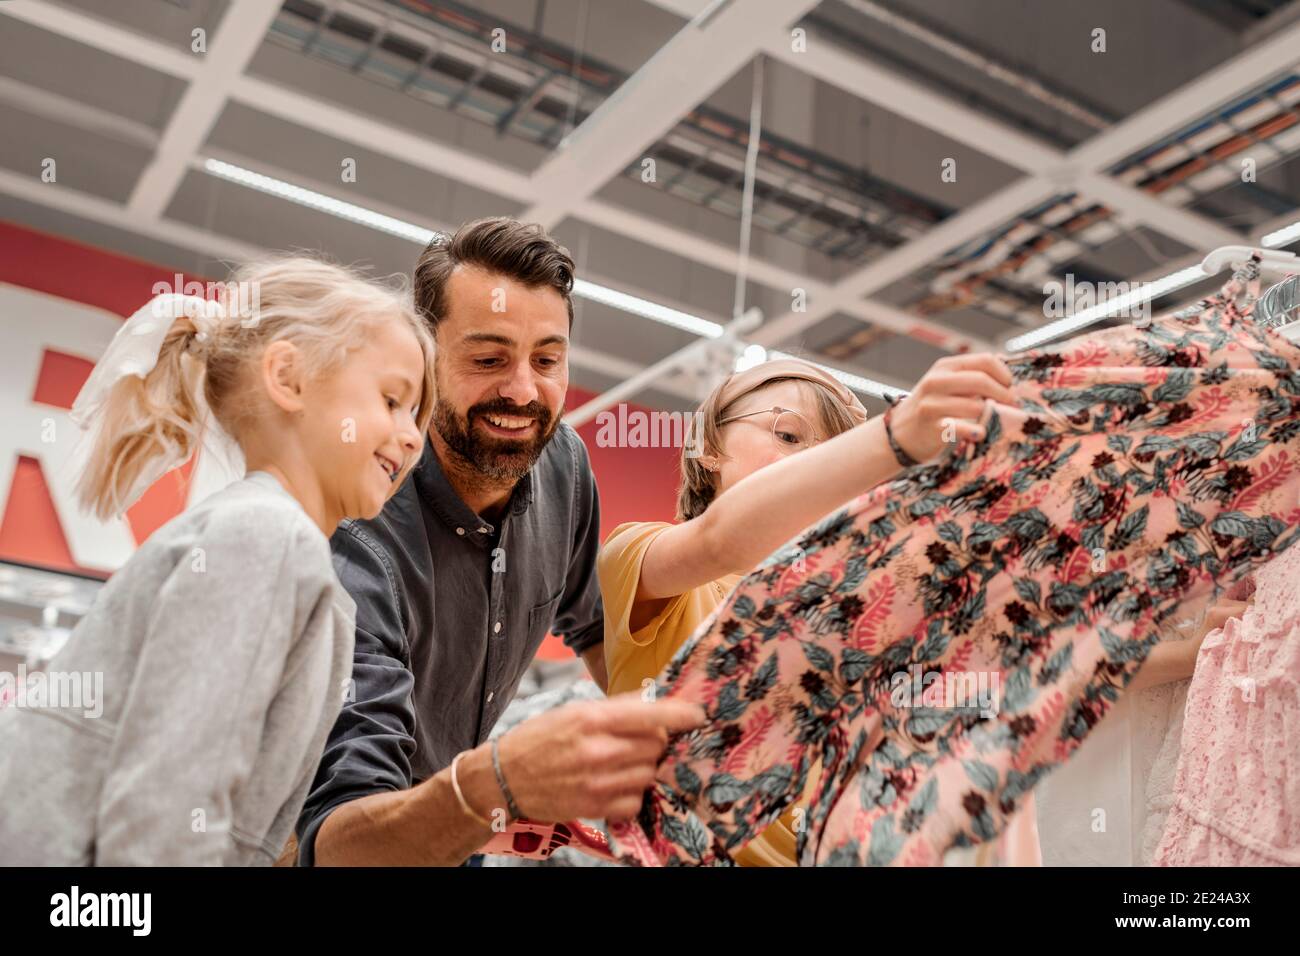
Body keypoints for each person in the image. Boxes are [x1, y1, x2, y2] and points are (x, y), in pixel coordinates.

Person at [0, 256, 435, 864]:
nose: (414, 435)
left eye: (416, 413)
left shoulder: (296, 560)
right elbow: (163, 820)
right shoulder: (266, 539)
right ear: (288, 377)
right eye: (392, 400)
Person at [296, 217, 702, 867]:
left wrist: (672, 765)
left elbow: (597, 629)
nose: (522, 390)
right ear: (422, 360)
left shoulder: (563, 465)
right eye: (488, 359)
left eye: (547, 360)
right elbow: (339, 843)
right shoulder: (359, 543)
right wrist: (504, 779)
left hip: (464, 837)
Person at [598, 354, 1029, 865]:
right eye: (787, 435)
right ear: (708, 447)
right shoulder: (641, 556)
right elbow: (722, 539)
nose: (812, 466)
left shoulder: (861, 615)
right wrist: (893, 439)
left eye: (832, 456)